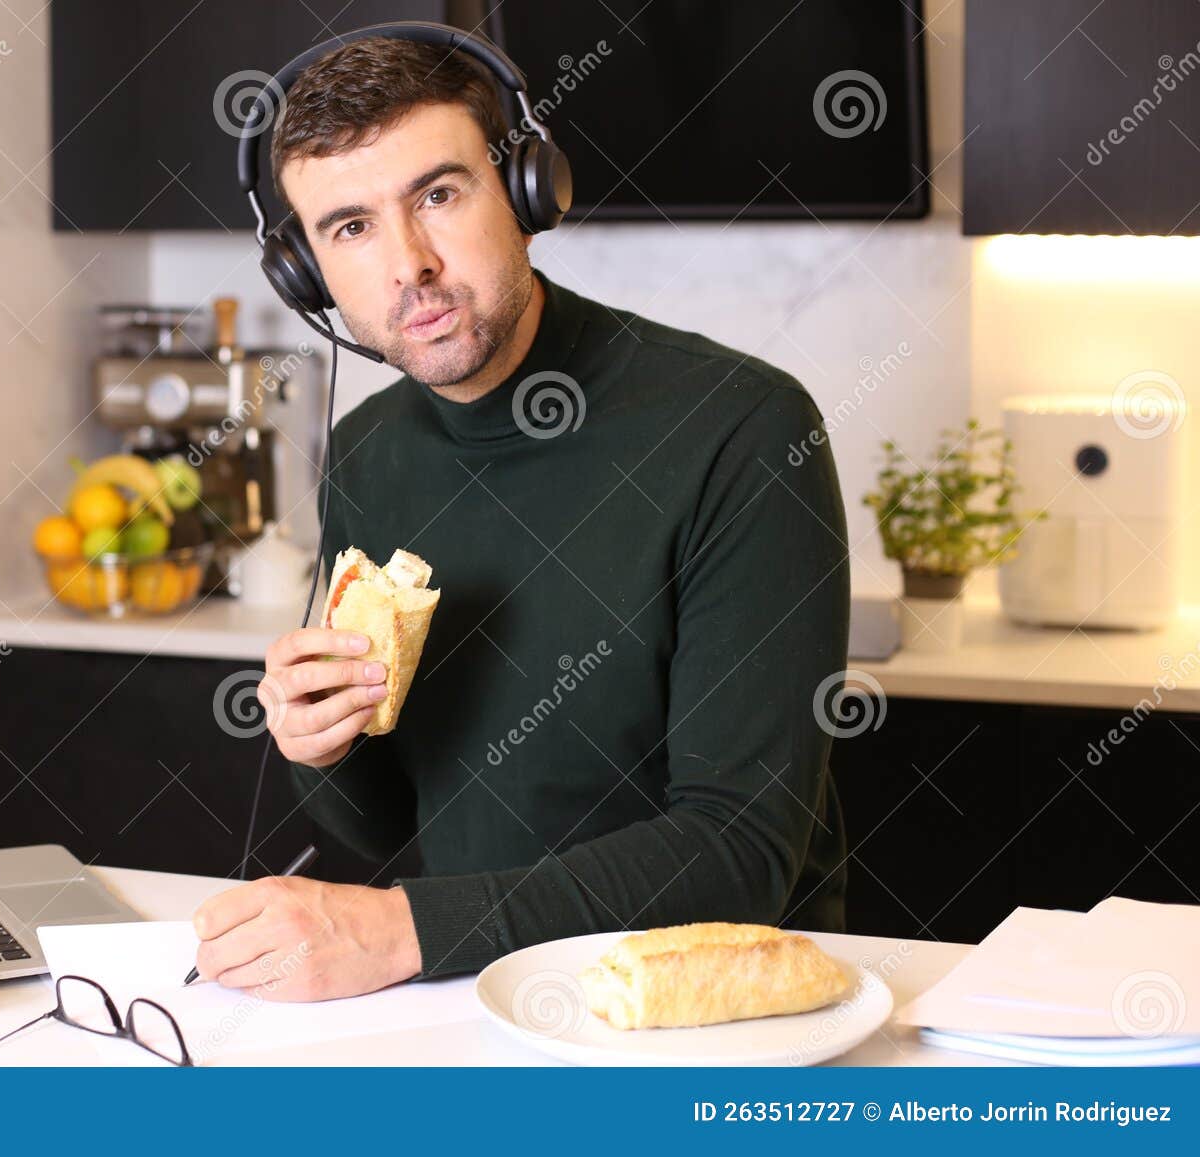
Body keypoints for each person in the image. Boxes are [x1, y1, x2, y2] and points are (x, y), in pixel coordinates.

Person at [191, 34, 849, 1002]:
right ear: (304, 269)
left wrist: (401, 925)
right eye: (348, 227)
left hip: (704, 1016)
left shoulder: (742, 427)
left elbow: (740, 849)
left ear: (530, 193)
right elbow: (388, 825)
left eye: (439, 195)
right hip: (475, 997)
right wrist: (320, 743)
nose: (407, 263)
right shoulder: (371, 447)